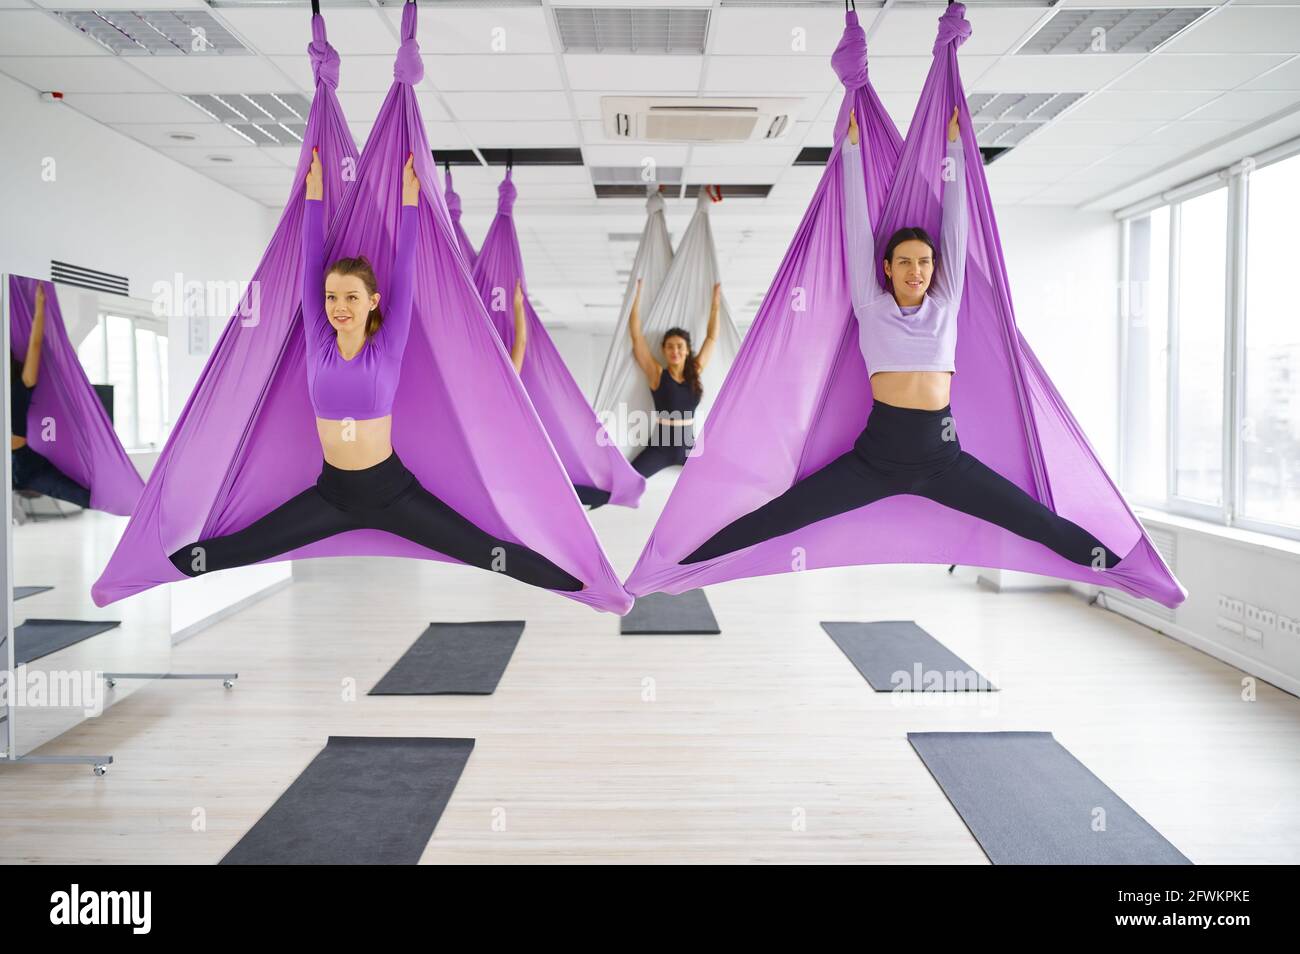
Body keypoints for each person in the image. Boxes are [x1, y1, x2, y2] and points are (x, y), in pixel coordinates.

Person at [681, 107, 1121, 571]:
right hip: (876, 459)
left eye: (925, 263)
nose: (917, 271)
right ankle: (684, 565)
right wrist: (850, 153)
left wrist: (955, 150)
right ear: (887, 268)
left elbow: (957, 226)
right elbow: (856, 228)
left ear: (935, 269)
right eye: (906, 262)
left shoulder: (946, 301)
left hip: (944, 460)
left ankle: (1122, 567)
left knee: (1034, 520)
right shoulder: (871, 304)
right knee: (782, 516)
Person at [167, 149, 582, 592]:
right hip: (331, 496)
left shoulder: (387, 345)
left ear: (372, 301)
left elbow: (404, 267)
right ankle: (148, 568)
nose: (338, 307)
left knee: (484, 552)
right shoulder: (318, 343)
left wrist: (408, 203)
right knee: (240, 549)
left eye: (349, 297)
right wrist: (312, 198)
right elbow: (309, 263)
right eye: (331, 298)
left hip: (393, 493)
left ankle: (580, 585)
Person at [627, 277, 721, 480]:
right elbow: (636, 336)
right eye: (669, 346)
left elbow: (712, 337)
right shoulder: (657, 374)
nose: (675, 350)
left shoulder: (694, 372)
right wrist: (635, 295)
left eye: (679, 346)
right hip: (660, 450)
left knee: (719, 479)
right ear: (663, 350)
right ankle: (573, 493)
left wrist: (715, 304)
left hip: (689, 449)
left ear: (687, 351)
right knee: (624, 482)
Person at [11, 281, 92, 509]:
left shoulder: (22, 384)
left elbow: (35, 345)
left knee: (85, 497)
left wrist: (39, 308)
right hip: (7, 469)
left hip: (28, 466)